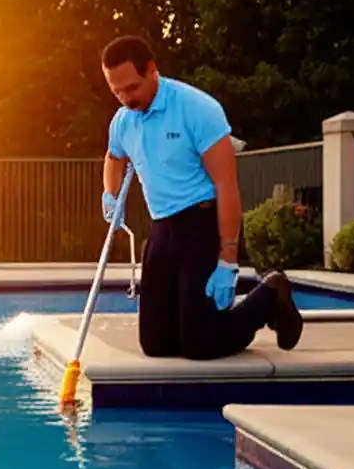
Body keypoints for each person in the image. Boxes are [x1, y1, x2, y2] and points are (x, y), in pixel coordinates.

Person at [93, 35, 303, 360]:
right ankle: (206, 320)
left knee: (200, 345)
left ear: (152, 70)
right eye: (116, 90)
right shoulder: (124, 121)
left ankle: (270, 294)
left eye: (131, 88)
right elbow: (113, 156)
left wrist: (228, 259)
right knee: (156, 346)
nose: (125, 98)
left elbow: (226, 186)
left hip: (202, 225)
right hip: (162, 228)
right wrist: (110, 192)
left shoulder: (197, 109)